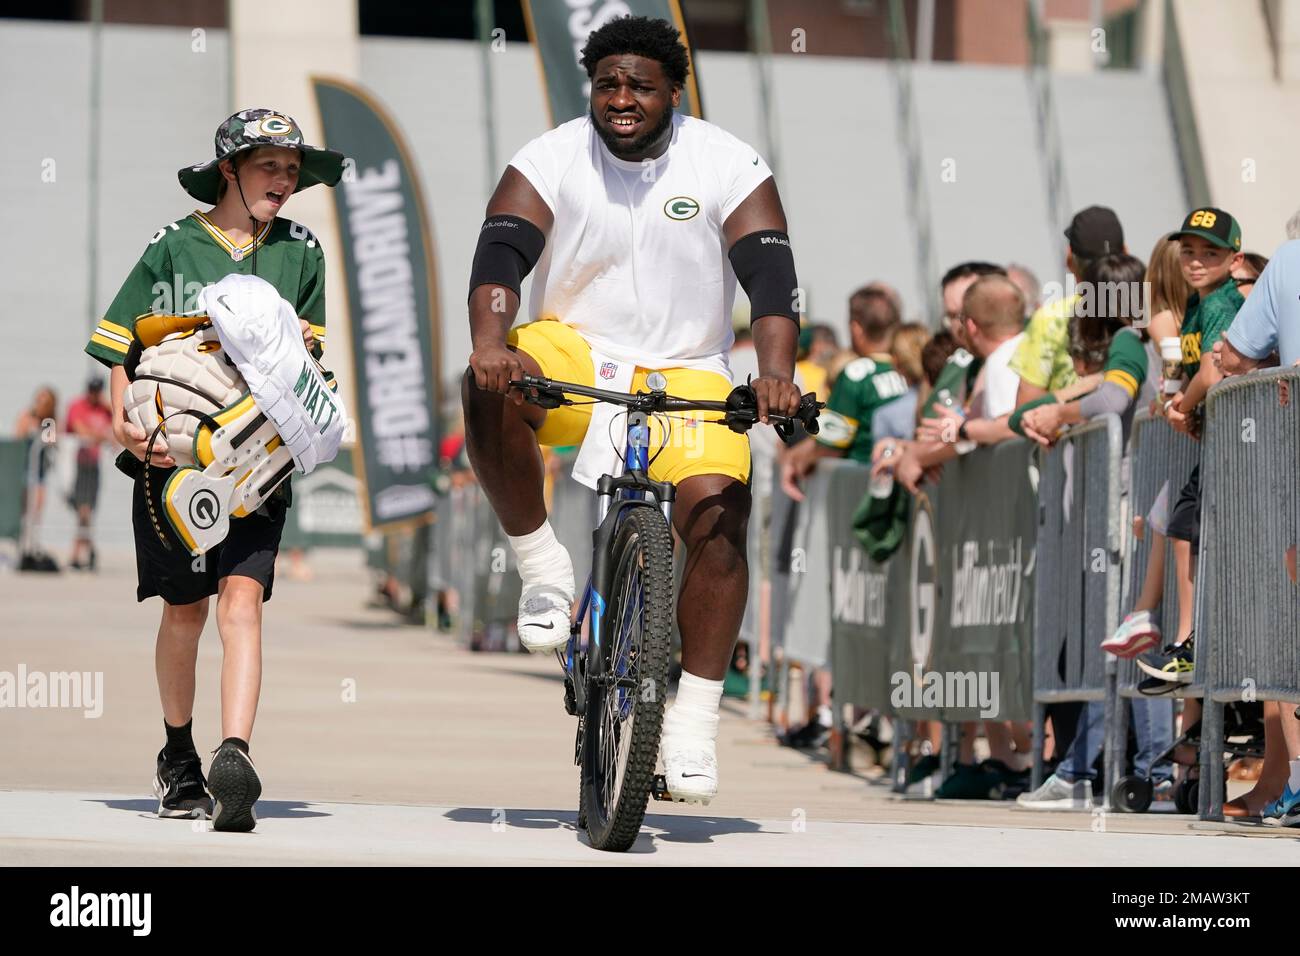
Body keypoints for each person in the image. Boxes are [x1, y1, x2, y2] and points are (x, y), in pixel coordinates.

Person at [461, 16, 801, 805]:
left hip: (691, 372)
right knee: (486, 385)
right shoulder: (549, 157)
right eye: (607, 83)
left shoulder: (728, 162)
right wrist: (490, 342)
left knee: (720, 522)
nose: (621, 98)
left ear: (673, 92)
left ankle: (693, 723)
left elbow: (772, 285)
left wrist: (775, 373)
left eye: (640, 86)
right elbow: (501, 256)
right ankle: (543, 568)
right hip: (578, 355)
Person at [83, 108, 343, 830]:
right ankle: (177, 756)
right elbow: (118, 350)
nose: (284, 182)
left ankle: (235, 757)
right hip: (170, 465)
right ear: (228, 169)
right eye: (269, 167)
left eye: (292, 171)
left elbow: (311, 362)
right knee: (184, 611)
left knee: (242, 601)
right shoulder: (171, 247)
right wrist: (127, 424)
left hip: (258, 466)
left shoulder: (302, 251)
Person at [1137, 208, 1246, 696]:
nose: (1197, 261)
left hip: (1238, 440)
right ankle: (1190, 641)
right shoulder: (1199, 304)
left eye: (1211, 252)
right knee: (1183, 528)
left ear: (1234, 258)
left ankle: (1195, 643)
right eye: (1190, 251)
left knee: (1191, 530)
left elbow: (1214, 369)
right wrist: (1177, 402)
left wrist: (1185, 404)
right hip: (1219, 438)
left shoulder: (1223, 301)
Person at [781, 286, 907, 498]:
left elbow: (830, 444)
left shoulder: (857, 375)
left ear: (856, 328)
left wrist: (794, 460)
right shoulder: (910, 368)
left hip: (867, 493)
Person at [1010, 206, 1126, 407]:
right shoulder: (1150, 306)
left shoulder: (1050, 320)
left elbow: (1026, 410)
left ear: (1069, 261)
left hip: (1075, 431)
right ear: (1126, 253)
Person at [63, 377, 115, 570]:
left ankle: (79, 554)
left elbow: (117, 424)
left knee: (86, 511)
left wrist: (107, 405)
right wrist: (100, 436)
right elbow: (80, 431)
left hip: (94, 465)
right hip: (78, 464)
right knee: (83, 510)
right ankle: (86, 550)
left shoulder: (103, 409)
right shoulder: (77, 405)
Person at [14, 385, 60, 570]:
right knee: (25, 510)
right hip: (26, 470)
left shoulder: (49, 420)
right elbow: (19, 434)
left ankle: (33, 545)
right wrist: (32, 420)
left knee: (37, 510)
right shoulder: (27, 415)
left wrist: (46, 422)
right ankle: (22, 548)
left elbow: (52, 441)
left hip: (40, 471)